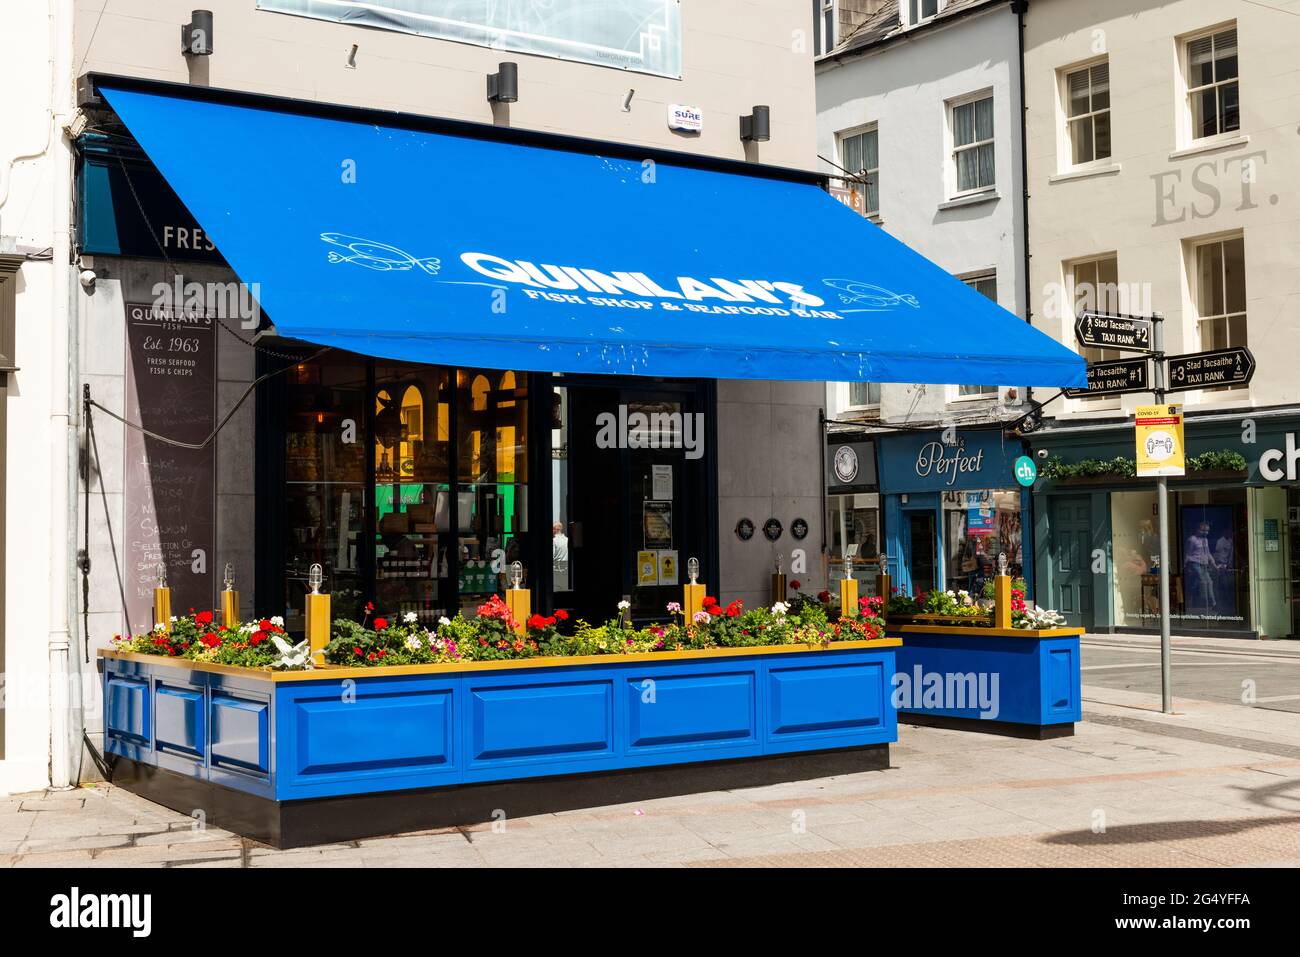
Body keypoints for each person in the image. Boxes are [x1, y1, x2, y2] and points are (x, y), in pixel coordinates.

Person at [1183, 521, 1217, 614]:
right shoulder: (1192, 540)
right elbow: (1188, 554)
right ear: (1197, 529)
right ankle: (1207, 602)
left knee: (1209, 582)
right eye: (1203, 530)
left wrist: (1214, 564)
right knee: (1203, 581)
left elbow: (1208, 552)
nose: (1206, 532)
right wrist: (1185, 566)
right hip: (1194, 563)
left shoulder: (1205, 540)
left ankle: (1212, 603)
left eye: (1207, 531)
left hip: (1203, 564)